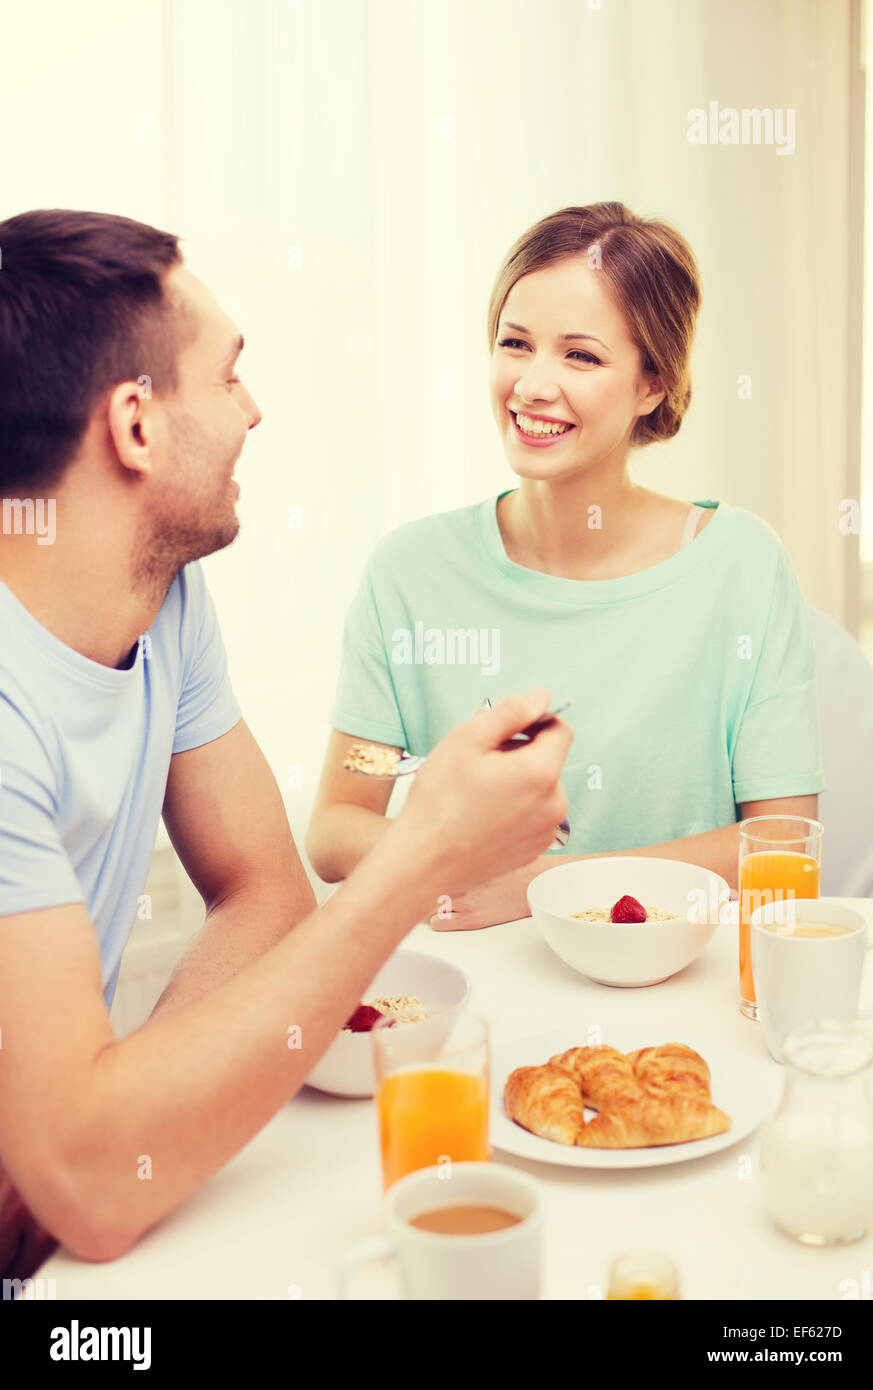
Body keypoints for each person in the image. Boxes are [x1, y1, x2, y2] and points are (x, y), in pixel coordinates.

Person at [0, 209, 572, 1279]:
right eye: (227, 377)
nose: (254, 413)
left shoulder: (158, 591)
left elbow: (264, 888)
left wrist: (117, 1108)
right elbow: (92, 1196)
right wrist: (421, 854)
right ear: (137, 426)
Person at [307, 201, 825, 930]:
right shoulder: (409, 575)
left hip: (674, 990)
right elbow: (336, 823)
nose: (531, 386)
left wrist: (543, 887)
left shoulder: (742, 567)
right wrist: (451, 864)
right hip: (474, 987)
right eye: (515, 344)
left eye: (580, 355)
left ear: (652, 384)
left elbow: (781, 849)